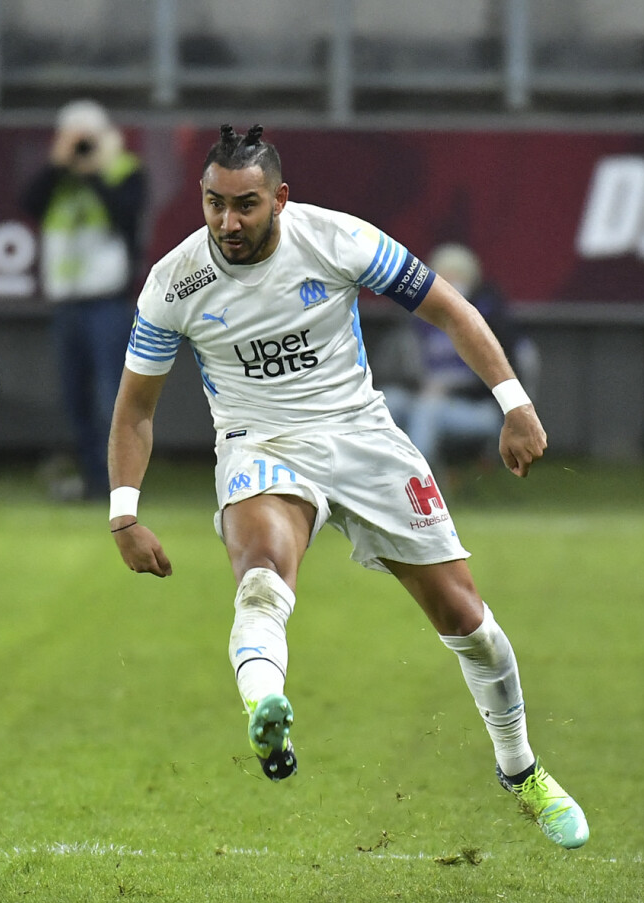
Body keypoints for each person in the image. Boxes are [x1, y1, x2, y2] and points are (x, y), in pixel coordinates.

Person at [106, 125, 588, 849]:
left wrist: (514, 404)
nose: (227, 223)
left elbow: (449, 307)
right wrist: (124, 514)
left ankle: (521, 771)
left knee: (468, 620)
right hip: (260, 445)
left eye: (245, 205)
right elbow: (135, 409)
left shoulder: (337, 240)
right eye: (213, 205)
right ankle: (266, 705)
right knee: (263, 575)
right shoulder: (174, 281)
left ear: (281, 199)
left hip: (362, 437)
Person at [20, 99, 147, 501]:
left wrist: (95, 174)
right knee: (75, 396)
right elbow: (29, 203)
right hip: (67, 302)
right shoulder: (57, 177)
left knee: (112, 396)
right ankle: (95, 480)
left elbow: (126, 215)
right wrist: (60, 166)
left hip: (107, 300)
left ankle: (121, 483)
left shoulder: (125, 171)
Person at [381, 243, 538, 480]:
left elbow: (510, 374)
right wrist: (422, 385)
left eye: (457, 277)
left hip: (478, 405)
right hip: (424, 395)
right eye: (443, 277)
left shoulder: (489, 318)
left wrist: (449, 387)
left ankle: (411, 483)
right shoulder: (415, 319)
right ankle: (370, 478)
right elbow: (394, 369)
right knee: (387, 401)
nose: (450, 283)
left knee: (427, 411)